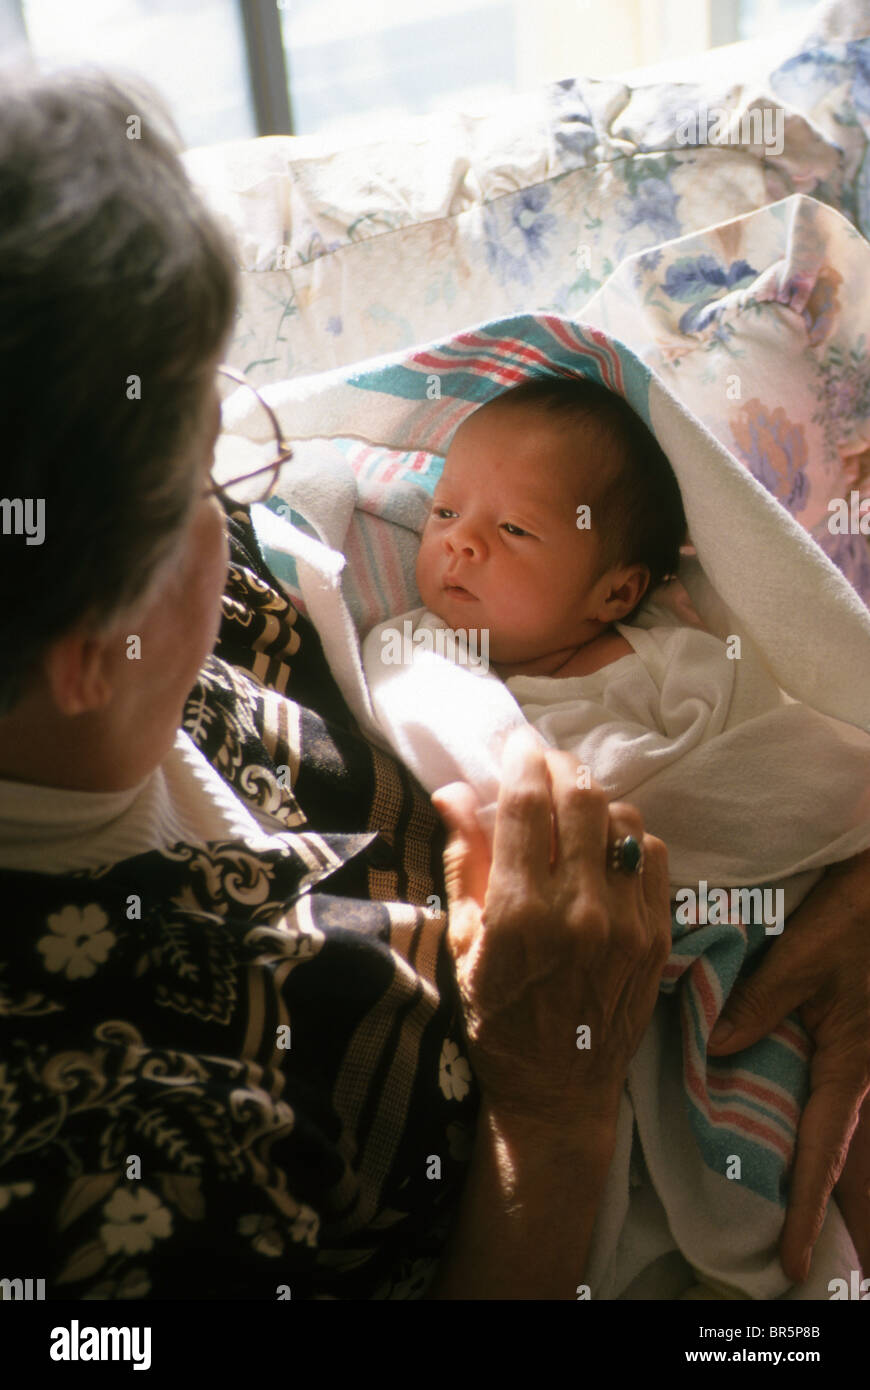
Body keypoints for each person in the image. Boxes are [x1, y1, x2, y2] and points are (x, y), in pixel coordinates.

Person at [0, 66, 865, 1300]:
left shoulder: (208, 577)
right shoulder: (106, 1169)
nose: (247, 489)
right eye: (202, 481)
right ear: (94, 650)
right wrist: (554, 1108)